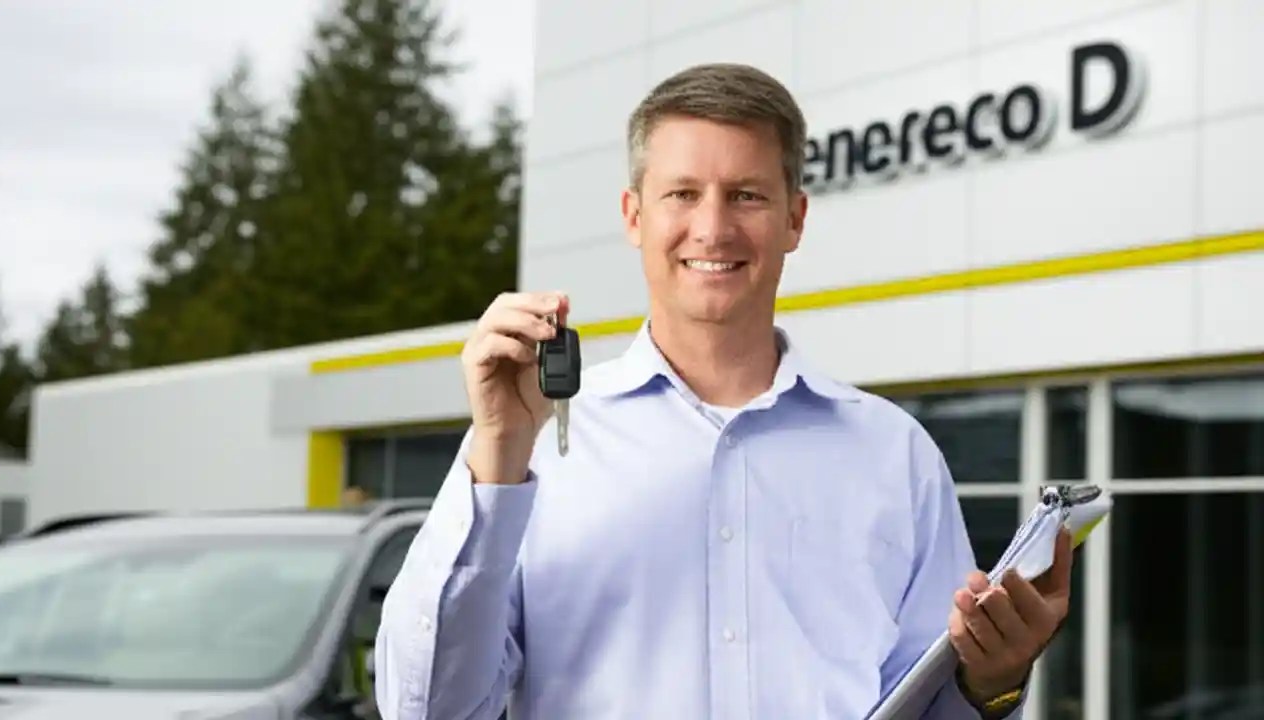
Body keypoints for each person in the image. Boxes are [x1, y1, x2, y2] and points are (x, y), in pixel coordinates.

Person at [374, 63, 1072, 719]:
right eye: (682, 193)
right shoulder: (529, 445)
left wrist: (992, 682)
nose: (712, 228)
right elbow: (428, 709)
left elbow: (923, 705)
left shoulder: (895, 454)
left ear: (795, 218)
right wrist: (496, 449)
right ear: (634, 215)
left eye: (746, 195)